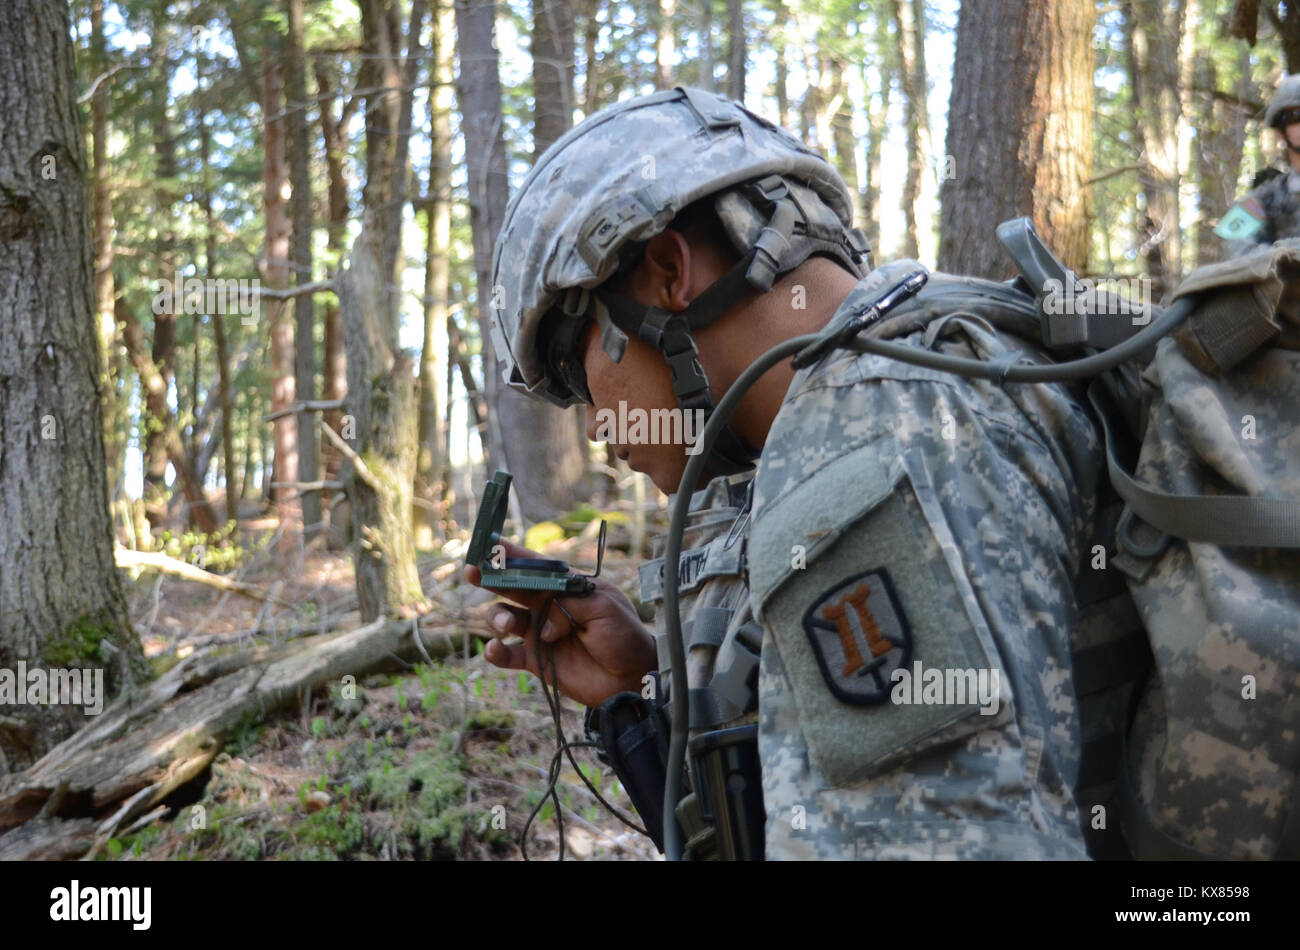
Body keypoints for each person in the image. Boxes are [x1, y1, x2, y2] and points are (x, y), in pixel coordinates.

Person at [466, 87, 1109, 860]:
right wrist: (636, 695)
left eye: (578, 368)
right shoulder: (896, 391)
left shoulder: (870, 436)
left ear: (670, 270)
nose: (598, 426)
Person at [1220, 74, 1300, 254]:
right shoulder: (1267, 198)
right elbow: (1234, 245)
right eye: (1297, 116)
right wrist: (1285, 258)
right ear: (1280, 132)